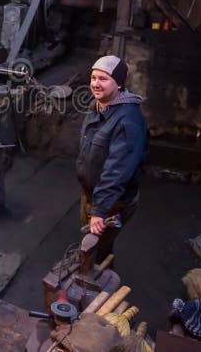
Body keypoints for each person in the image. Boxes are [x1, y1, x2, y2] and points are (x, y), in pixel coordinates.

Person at [76, 55, 148, 262]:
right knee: (96, 249)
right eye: (93, 78)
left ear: (119, 83)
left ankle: (101, 289)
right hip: (93, 195)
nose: (96, 84)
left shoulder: (128, 120)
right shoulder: (98, 107)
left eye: (103, 79)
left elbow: (118, 170)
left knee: (96, 252)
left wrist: (99, 210)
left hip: (112, 203)